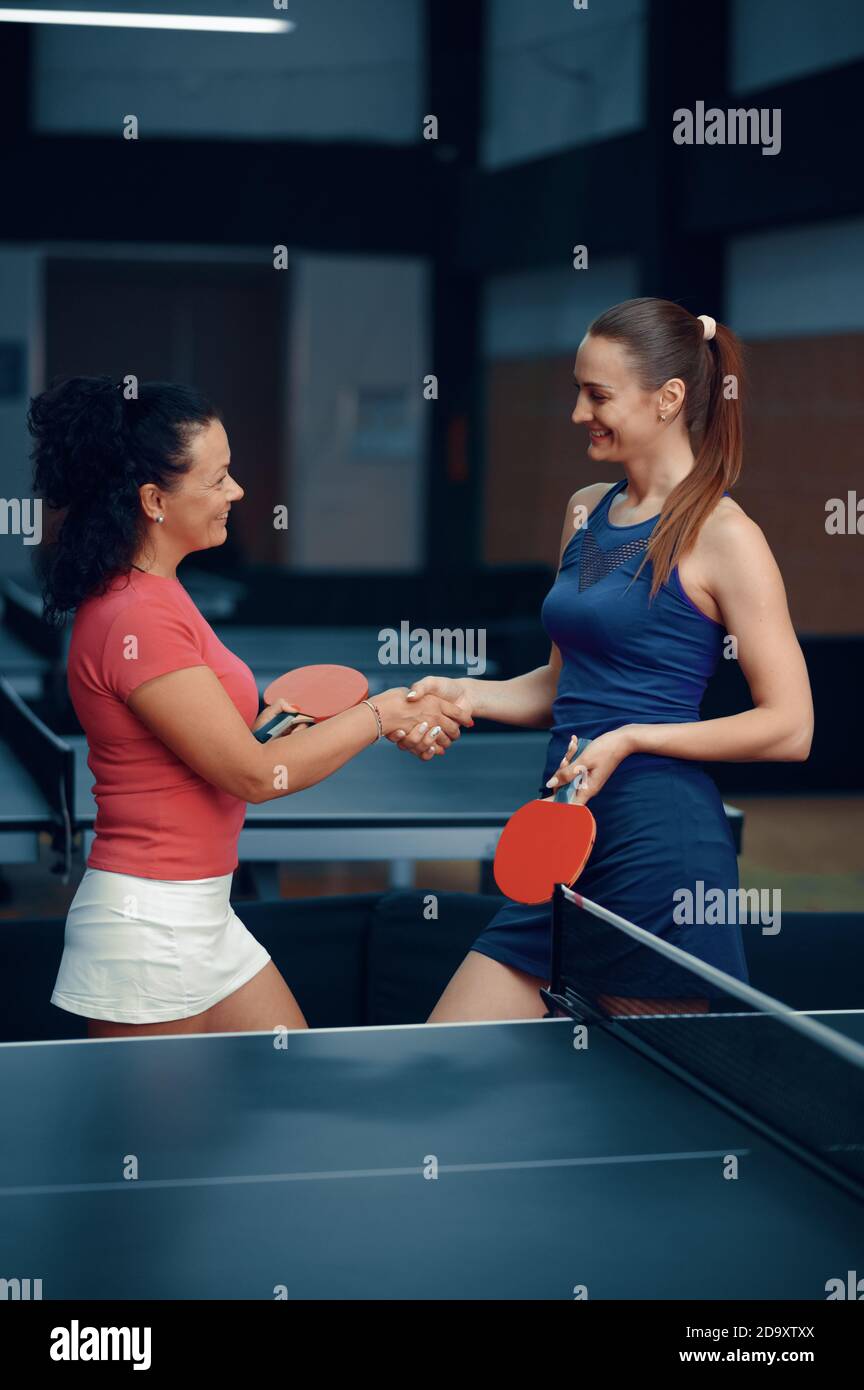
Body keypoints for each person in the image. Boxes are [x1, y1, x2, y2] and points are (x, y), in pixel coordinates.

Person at [409, 297, 814, 1023]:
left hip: (659, 856)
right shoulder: (585, 509)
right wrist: (462, 692)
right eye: (577, 391)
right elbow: (563, 687)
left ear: (668, 400)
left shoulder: (727, 536)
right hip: (560, 844)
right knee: (449, 1061)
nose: (577, 413)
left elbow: (791, 727)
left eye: (597, 395)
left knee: (635, 1114)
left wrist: (632, 737)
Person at [30, 376, 471, 1038]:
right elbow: (254, 775)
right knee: (161, 1146)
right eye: (218, 479)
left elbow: (235, 748)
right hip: (150, 930)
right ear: (154, 499)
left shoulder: (159, 595)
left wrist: (287, 723)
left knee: (293, 1106)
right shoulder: (137, 615)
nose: (236, 493)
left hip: (206, 915)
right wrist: (382, 716)